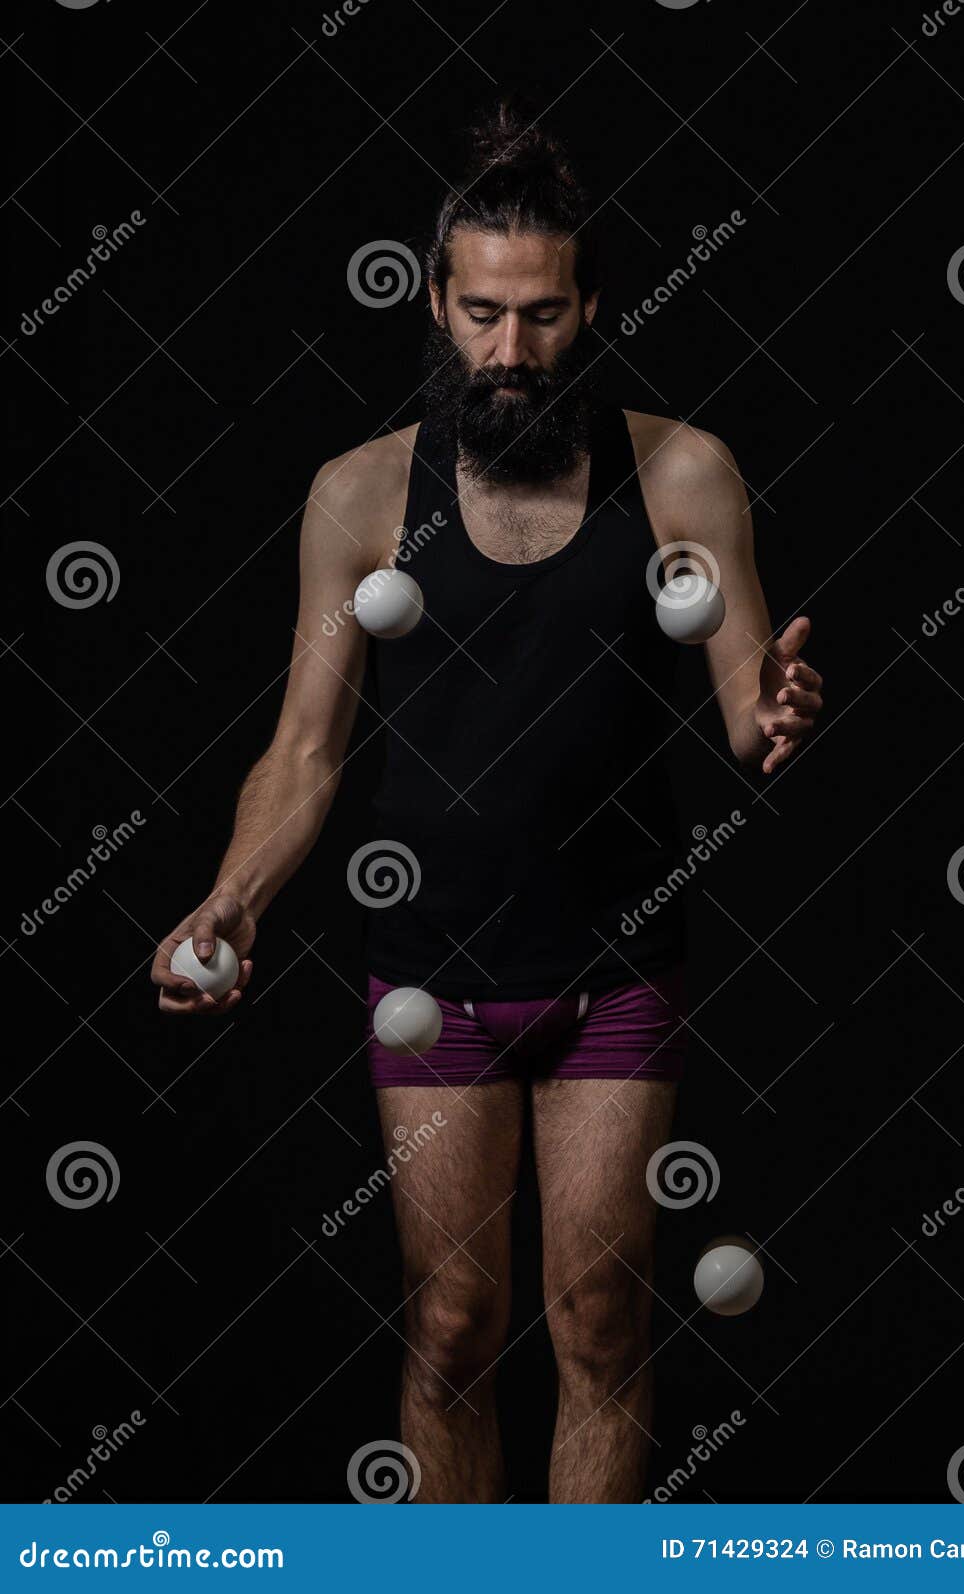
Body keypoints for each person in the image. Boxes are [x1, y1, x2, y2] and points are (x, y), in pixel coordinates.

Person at [152, 100, 823, 1502]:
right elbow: (306, 752)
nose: (509, 353)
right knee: (453, 1327)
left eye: (542, 315)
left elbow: (749, 699)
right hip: (431, 971)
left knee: (600, 1318)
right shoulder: (358, 497)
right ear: (439, 304)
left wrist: (776, 717)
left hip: (613, 969)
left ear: (592, 306)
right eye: (481, 314)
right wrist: (233, 895)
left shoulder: (680, 472)